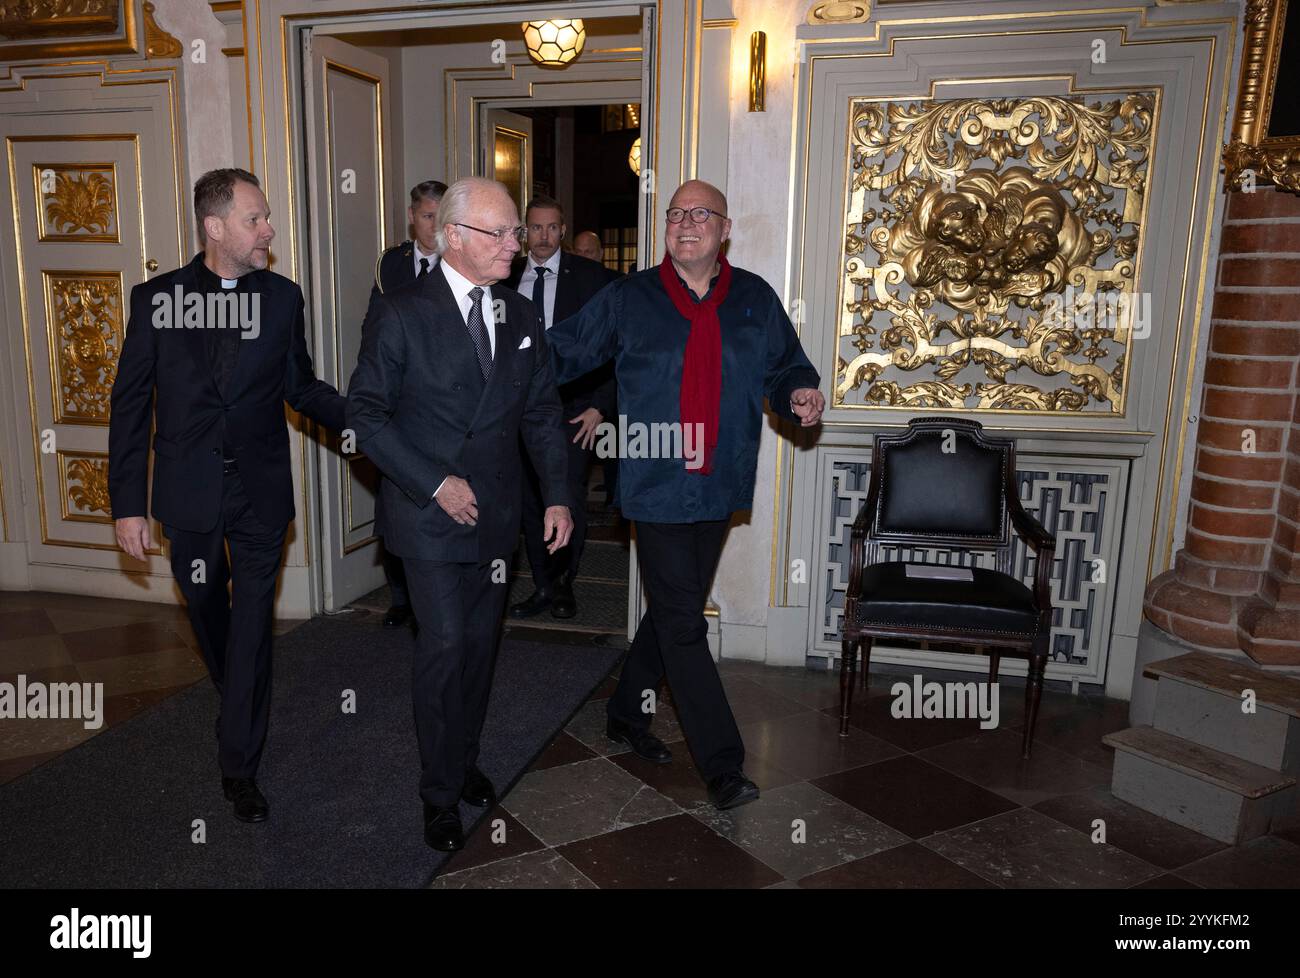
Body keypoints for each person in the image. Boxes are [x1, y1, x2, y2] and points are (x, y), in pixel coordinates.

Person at [548, 180, 825, 811]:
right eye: (676, 214)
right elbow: (560, 354)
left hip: (720, 477)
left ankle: (624, 711)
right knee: (684, 623)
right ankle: (722, 764)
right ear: (665, 228)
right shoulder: (629, 298)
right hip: (654, 480)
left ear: (725, 230)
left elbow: (786, 367)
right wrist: (494, 351)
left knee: (673, 611)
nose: (687, 223)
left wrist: (799, 394)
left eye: (701, 214)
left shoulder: (754, 298)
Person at [108, 167, 346, 823]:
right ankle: (237, 691)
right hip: (188, 493)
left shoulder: (284, 297)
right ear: (215, 228)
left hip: (262, 494)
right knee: (207, 607)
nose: (269, 230)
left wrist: (363, 418)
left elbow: (301, 386)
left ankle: (239, 767)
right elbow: (129, 408)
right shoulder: (156, 299)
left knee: (251, 630)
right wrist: (127, 503)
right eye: (255, 219)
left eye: (266, 218)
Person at [346, 176, 573, 852]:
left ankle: (463, 758)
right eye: (501, 233)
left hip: (499, 518)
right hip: (427, 517)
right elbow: (365, 414)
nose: (519, 244)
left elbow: (541, 416)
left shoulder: (522, 317)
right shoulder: (402, 312)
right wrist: (433, 480)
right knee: (443, 649)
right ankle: (437, 792)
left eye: (517, 231)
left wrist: (558, 494)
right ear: (453, 238)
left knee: (479, 650)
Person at [504, 195, 619, 620]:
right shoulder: (503, 274)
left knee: (566, 498)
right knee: (529, 503)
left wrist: (599, 407)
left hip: (574, 410)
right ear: (523, 231)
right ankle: (542, 585)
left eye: (553, 227)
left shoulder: (592, 277)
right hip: (515, 412)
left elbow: (611, 347)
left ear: (563, 230)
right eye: (536, 227)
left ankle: (564, 584)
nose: (544, 236)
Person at [369, 179, 448, 630]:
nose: (433, 225)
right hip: (394, 401)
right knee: (395, 496)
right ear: (412, 218)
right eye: (425, 216)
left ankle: (433, 596)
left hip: (438, 399)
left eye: (441, 215)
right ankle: (401, 596)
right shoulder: (392, 264)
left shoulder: (460, 262)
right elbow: (374, 324)